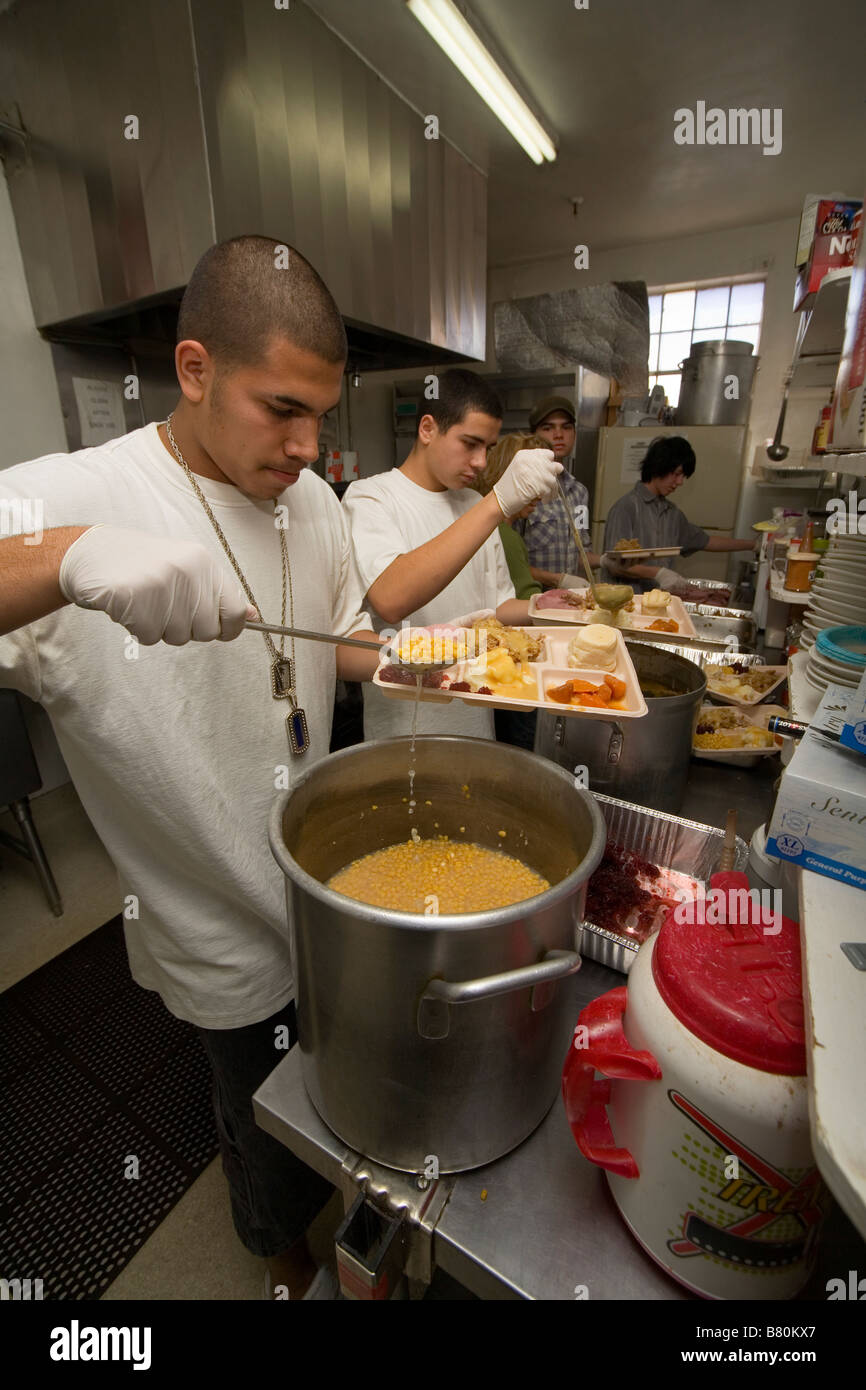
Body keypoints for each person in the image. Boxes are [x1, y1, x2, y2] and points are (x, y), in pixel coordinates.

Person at [0, 236, 382, 1300]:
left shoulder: (311, 502)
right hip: (210, 914)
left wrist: (451, 661)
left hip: (319, 887)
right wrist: (66, 559)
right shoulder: (78, 490)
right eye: (280, 409)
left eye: (323, 414)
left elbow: (342, 640)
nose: (308, 446)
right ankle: (285, 1261)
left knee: (339, 1086)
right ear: (196, 369)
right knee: (258, 1114)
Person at [343, 369, 561, 741]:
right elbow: (391, 598)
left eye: (488, 448)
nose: (480, 462)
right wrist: (497, 503)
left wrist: (562, 609)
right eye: (470, 444)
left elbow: (497, 607)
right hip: (407, 725)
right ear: (428, 429)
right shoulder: (371, 498)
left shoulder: (473, 503)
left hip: (475, 716)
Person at [601, 436, 757, 594]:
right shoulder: (626, 508)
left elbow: (706, 541)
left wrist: (754, 545)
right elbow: (614, 564)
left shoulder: (672, 514)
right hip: (626, 604)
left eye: (683, 476)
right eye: (676, 474)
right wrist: (658, 573)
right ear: (659, 467)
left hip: (655, 605)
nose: (680, 482)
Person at [516, 395, 601, 588]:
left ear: (574, 433)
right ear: (534, 434)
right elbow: (507, 562)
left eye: (566, 427)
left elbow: (581, 552)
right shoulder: (522, 490)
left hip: (571, 604)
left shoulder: (579, 493)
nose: (558, 434)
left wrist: (606, 561)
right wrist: (557, 579)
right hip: (532, 603)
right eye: (548, 428)